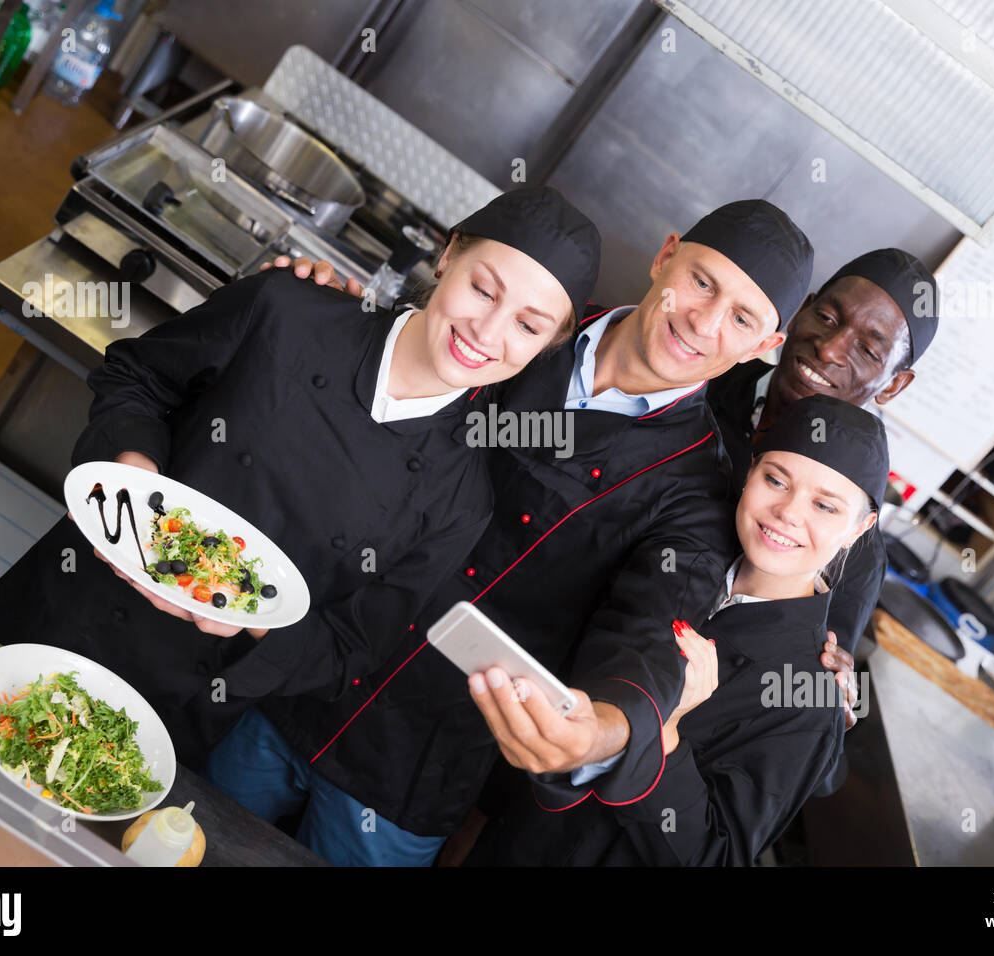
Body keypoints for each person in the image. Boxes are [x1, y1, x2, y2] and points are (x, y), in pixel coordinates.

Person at [209, 200, 815, 864]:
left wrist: (605, 732)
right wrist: (326, 314)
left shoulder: (697, 494)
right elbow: (387, 369)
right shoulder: (523, 315)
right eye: (702, 281)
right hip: (295, 671)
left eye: (742, 317)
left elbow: (652, 632)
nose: (704, 321)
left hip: (409, 771)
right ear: (665, 255)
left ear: (765, 346)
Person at [0, 186, 602, 786]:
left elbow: (351, 647)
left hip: (170, 712)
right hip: (66, 608)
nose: (487, 334)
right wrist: (131, 461)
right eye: (483, 290)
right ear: (447, 256)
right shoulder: (287, 309)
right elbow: (139, 379)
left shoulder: (460, 500)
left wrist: (256, 624)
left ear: (548, 346)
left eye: (528, 325)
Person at [465, 394, 889, 865]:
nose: (789, 512)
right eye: (775, 479)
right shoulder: (677, 560)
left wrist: (665, 729)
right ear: (749, 473)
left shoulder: (808, 698)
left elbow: (716, 857)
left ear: (860, 527)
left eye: (825, 507)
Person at [705, 248, 940, 729]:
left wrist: (835, 689)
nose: (831, 349)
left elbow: (819, 686)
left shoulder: (854, 549)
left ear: (894, 386)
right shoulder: (703, 379)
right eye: (828, 316)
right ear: (802, 308)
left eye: (869, 350)